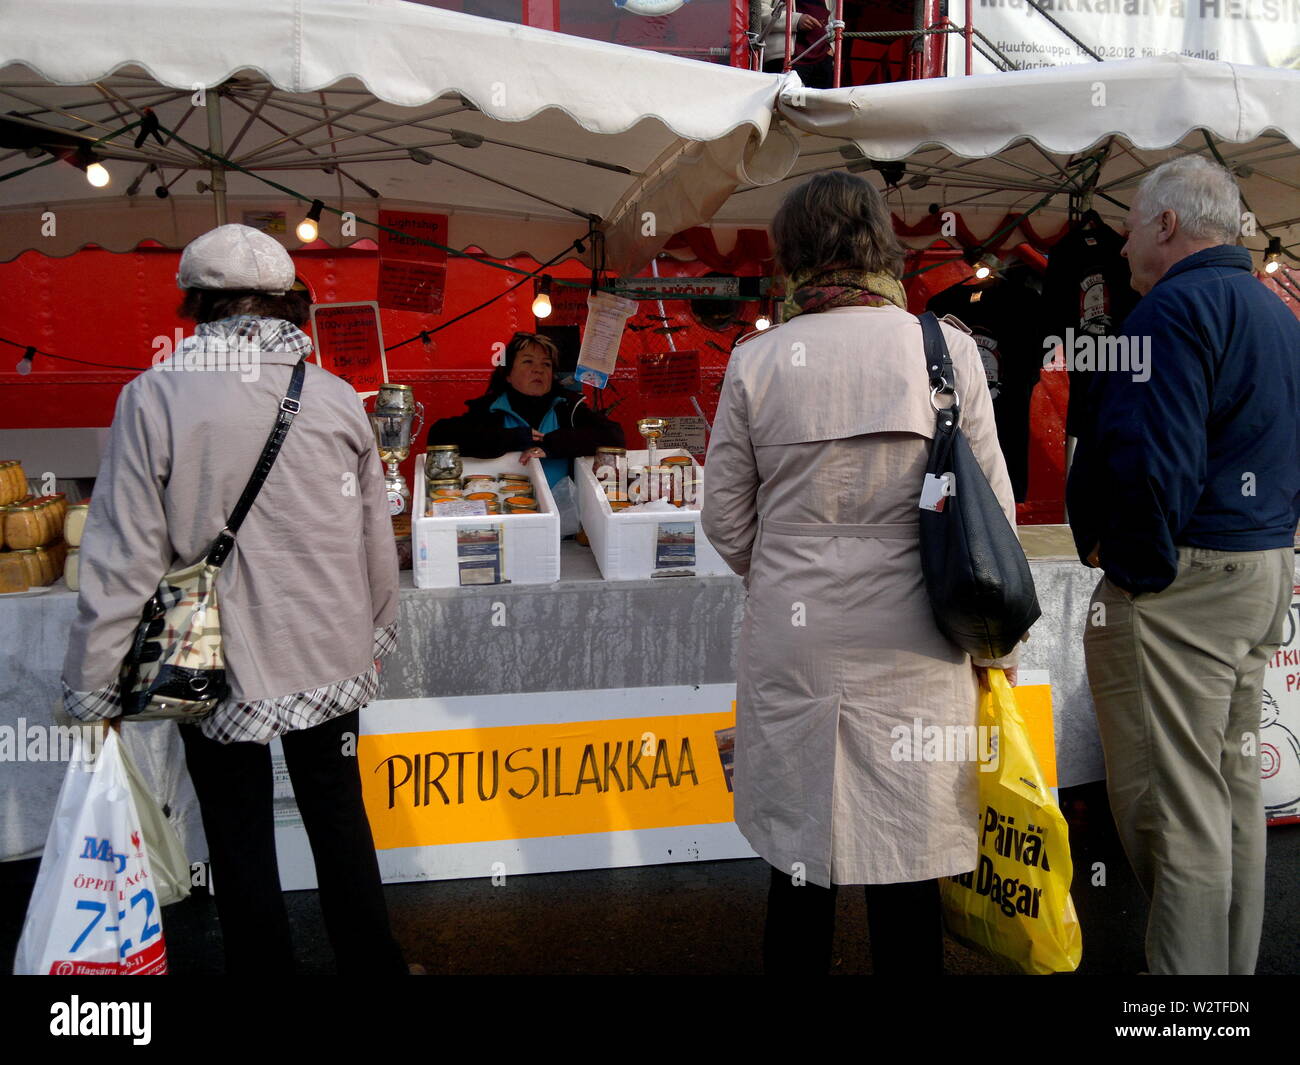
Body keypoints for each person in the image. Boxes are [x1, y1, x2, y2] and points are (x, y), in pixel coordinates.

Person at [61, 224, 407, 975]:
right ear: (289, 304)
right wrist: (376, 629)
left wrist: (94, 682)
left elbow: (121, 556)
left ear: (196, 306)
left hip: (212, 656)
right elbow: (373, 532)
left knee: (238, 828)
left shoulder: (152, 396)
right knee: (340, 814)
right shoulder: (336, 395)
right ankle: (373, 967)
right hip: (328, 646)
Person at [702, 171, 1020, 975]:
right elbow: (995, 523)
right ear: (883, 240)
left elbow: (725, 521)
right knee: (907, 869)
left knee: (798, 871)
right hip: (918, 641)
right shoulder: (946, 351)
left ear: (794, 254)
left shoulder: (758, 361)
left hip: (795, 640)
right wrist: (995, 655)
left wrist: (784, 572)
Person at [1067, 156, 1300, 975]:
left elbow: (1148, 464)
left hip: (1183, 587)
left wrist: (1132, 568)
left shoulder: (1169, 312)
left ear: (1167, 224)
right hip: (1259, 570)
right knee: (1230, 802)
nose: (1124, 240)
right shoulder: (1277, 315)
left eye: (1131, 222)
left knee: (1178, 813)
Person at [426, 332, 624, 524]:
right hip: (503, 520)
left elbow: (613, 435)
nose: (538, 370)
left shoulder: (568, 407)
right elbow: (439, 435)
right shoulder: (489, 409)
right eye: (528, 361)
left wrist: (552, 445)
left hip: (566, 526)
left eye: (546, 364)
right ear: (508, 374)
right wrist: (513, 439)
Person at [756, 0, 836, 89]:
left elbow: (834, 19)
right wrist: (796, 20)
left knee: (823, 101)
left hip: (823, 58)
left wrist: (831, 47)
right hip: (787, 57)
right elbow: (758, 13)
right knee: (785, 101)